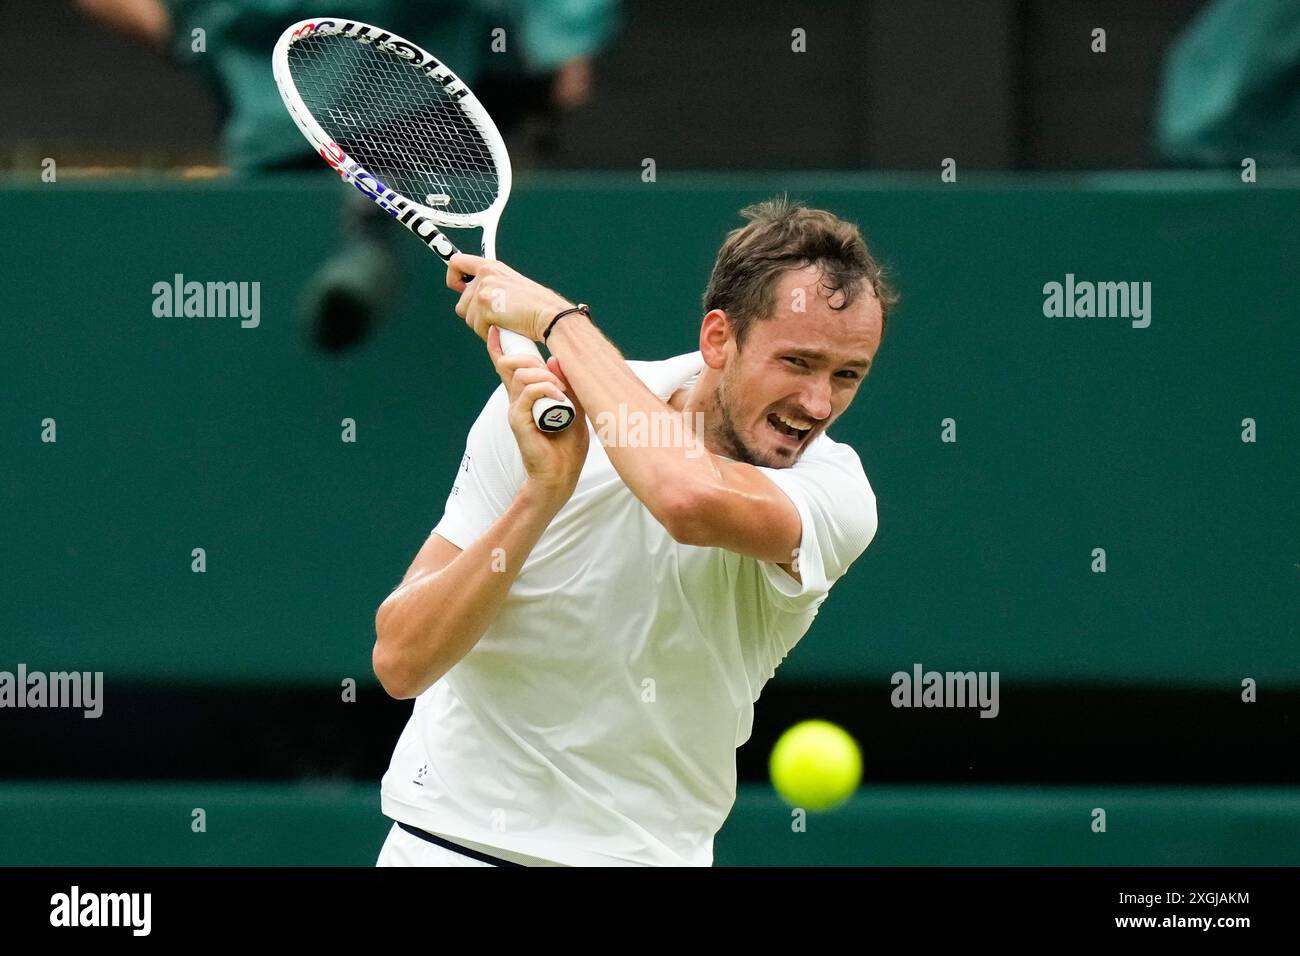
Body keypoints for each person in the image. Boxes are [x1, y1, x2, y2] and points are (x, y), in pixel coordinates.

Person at [373, 198, 895, 866]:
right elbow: (401, 661)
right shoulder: (536, 412)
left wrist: (558, 322)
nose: (818, 404)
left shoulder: (838, 496)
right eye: (797, 362)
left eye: (847, 375)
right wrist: (540, 497)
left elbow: (683, 496)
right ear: (718, 339)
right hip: (449, 843)